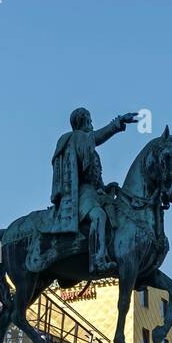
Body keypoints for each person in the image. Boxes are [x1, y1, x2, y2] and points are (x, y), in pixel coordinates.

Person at [47, 108, 139, 274]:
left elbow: (94, 178)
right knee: (99, 216)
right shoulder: (75, 138)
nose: (91, 124)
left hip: (94, 193)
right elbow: (97, 137)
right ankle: (97, 260)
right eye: (89, 121)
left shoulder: (87, 147)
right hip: (81, 193)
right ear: (81, 122)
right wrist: (118, 123)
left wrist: (105, 188)